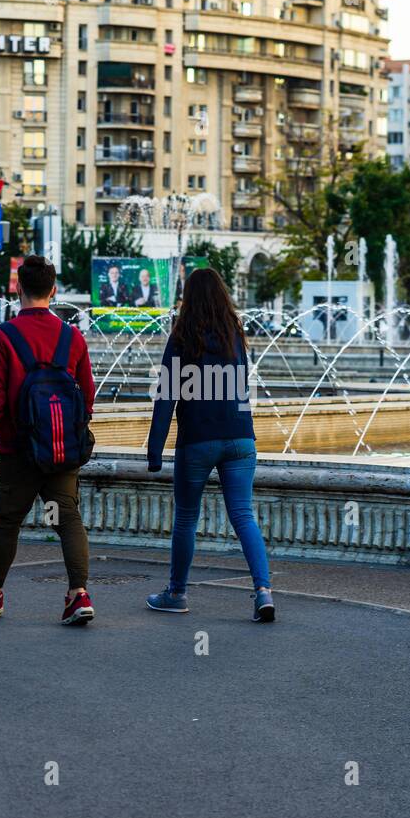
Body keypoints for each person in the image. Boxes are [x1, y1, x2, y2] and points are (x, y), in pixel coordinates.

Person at [0, 254, 97, 627]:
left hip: (18, 448)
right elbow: (87, 393)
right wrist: (70, 432)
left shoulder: (2, 337)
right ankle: (77, 594)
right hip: (61, 450)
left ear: (18, 288)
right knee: (66, 518)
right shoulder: (73, 337)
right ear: (53, 290)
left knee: (9, 521)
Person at [144, 266, 274, 622]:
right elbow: (241, 389)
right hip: (240, 438)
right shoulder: (235, 335)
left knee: (186, 518)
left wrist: (155, 450)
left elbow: (166, 397)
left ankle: (176, 593)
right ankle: (263, 591)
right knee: (244, 515)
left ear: (189, 298)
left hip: (197, 441)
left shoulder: (182, 336)